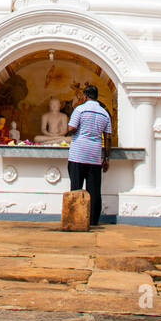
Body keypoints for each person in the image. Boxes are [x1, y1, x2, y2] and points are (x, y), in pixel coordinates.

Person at [66, 85, 111, 225]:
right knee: (94, 190)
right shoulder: (105, 113)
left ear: (85, 96)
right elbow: (108, 137)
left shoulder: (79, 109)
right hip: (95, 155)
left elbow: (71, 128)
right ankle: (93, 220)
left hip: (78, 153)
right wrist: (106, 158)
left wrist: (69, 131)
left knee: (76, 187)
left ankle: (76, 218)